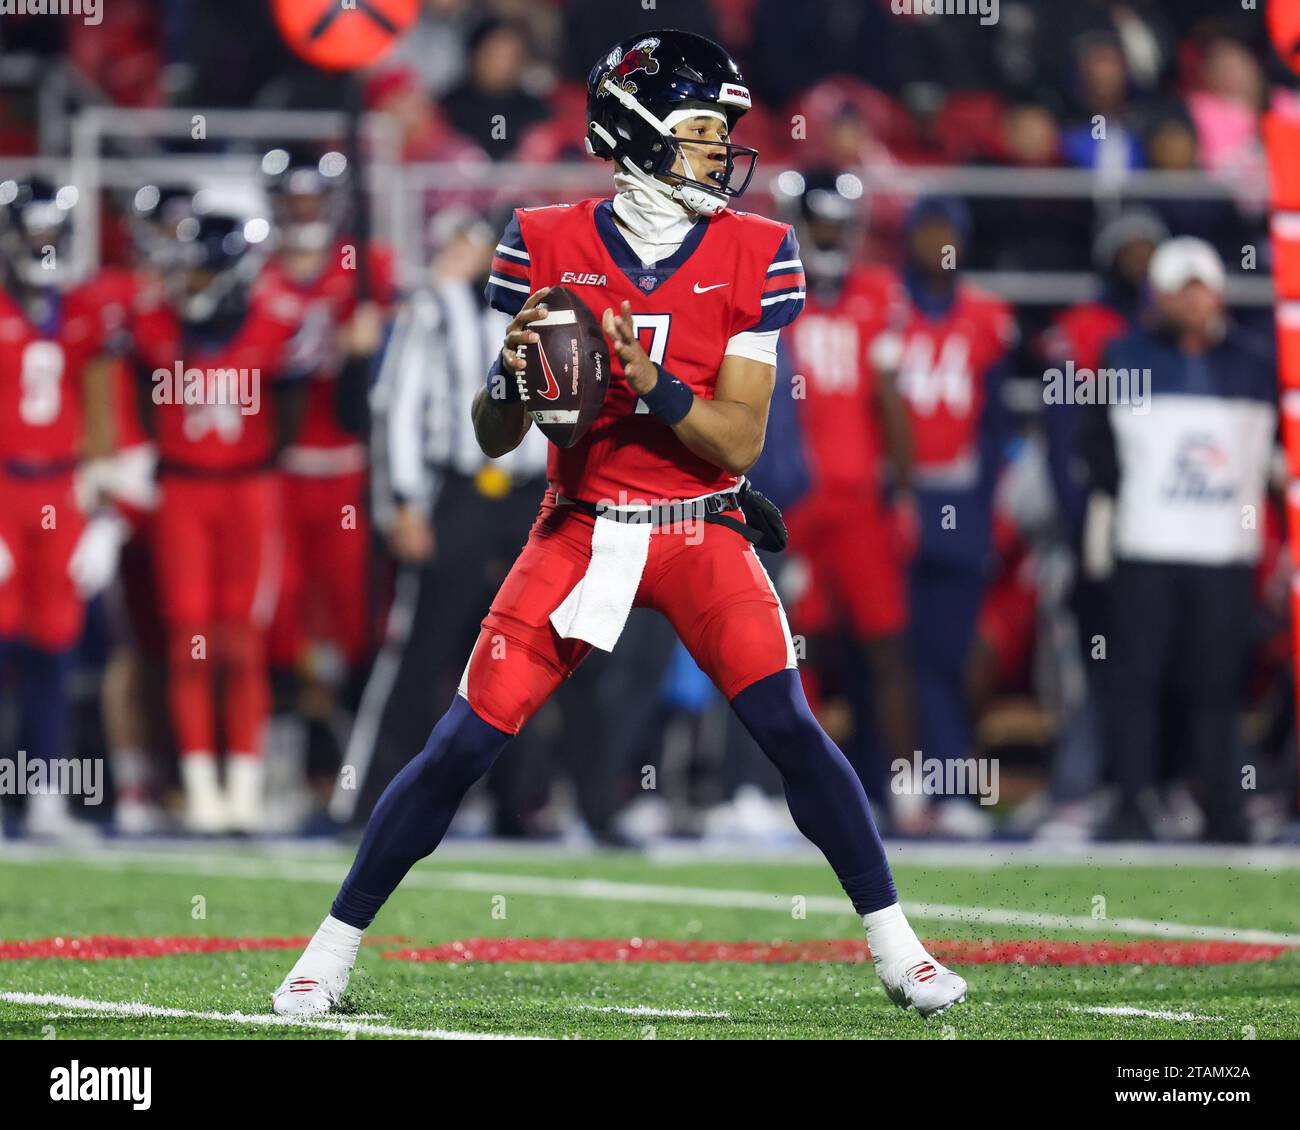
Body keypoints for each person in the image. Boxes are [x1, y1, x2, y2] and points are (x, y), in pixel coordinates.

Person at [271, 29, 966, 1019]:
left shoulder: (756, 249)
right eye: (698, 130)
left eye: (721, 130)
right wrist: (512, 385)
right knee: (463, 741)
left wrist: (649, 385)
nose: (719, 150)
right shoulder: (543, 238)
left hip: (699, 526)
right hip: (580, 523)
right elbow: (494, 434)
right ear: (634, 132)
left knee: (789, 727)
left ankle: (899, 947)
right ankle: (325, 954)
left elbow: (736, 441)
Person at [1082, 237, 1276, 842]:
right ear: (1160, 296)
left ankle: (1223, 807)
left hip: (1223, 550)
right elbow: (1096, 449)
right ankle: (1133, 804)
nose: (1195, 302)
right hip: (1148, 546)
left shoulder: (1255, 363)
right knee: (1136, 685)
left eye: (1203, 288)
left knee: (1217, 687)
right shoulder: (1122, 357)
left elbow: (1274, 454)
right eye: (1182, 290)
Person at [123, 205, 306, 832]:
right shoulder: (153, 324)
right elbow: (137, 400)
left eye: (200, 274)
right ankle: (201, 784)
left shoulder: (275, 322)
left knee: (242, 643)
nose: (188, 284)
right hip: (183, 491)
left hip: (249, 491)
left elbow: (291, 413)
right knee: (189, 642)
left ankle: (246, 784)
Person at [869, 196, 1016, 837]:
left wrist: (982, 509)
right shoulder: (884, 307)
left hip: (957, 495)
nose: (938, 243)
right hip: (890, 495)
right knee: (883, 651)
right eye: (926, 230)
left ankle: (951, 784)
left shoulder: (988, 317)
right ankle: (885, 788)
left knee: (947, 652)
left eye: (947, 232)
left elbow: (993, 425)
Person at [779, 168, 920, 810]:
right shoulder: (776, 292)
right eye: (822, 221)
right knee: (785, 649)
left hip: (861, 500)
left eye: (840, 222)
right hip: (795, 500)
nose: (831, 233)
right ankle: (798, 790)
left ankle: (907, 788)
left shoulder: (876, 293)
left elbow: (891, 399)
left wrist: (907, 490)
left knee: (886, 644)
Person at [0, 178, 126, 839]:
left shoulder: (81, 309)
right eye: (34, 233)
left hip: (60, 491)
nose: (43, 246)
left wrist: (104, 514)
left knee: (54, 646)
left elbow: (101, 408)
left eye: (53, 233)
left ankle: (43, 791)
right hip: (2, 489)